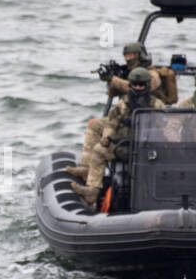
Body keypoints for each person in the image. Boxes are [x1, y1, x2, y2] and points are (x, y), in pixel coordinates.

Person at [68, 43, 177, 180]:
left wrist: (113, 79)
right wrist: (111, 78)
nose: (128, 59)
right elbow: (111, 94)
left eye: (131, 55)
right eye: (126, 56)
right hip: (125, 115)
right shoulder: (126, 73)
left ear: (139, 55)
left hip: (149, 119)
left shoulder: (151, 73)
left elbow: (137, 87)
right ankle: (86, 168)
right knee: (94, 124)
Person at [71, 66, 165, 207]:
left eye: (141, 85)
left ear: (147, 86)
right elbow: (112, 122)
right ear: (131, 86)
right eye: (135, 85)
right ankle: (93, 189)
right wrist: (107, 137)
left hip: (150, 150)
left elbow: (167, 126)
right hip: (126, 148)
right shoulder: (123, 104)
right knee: (98, 150)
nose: (138, 88)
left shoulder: (157, 105)